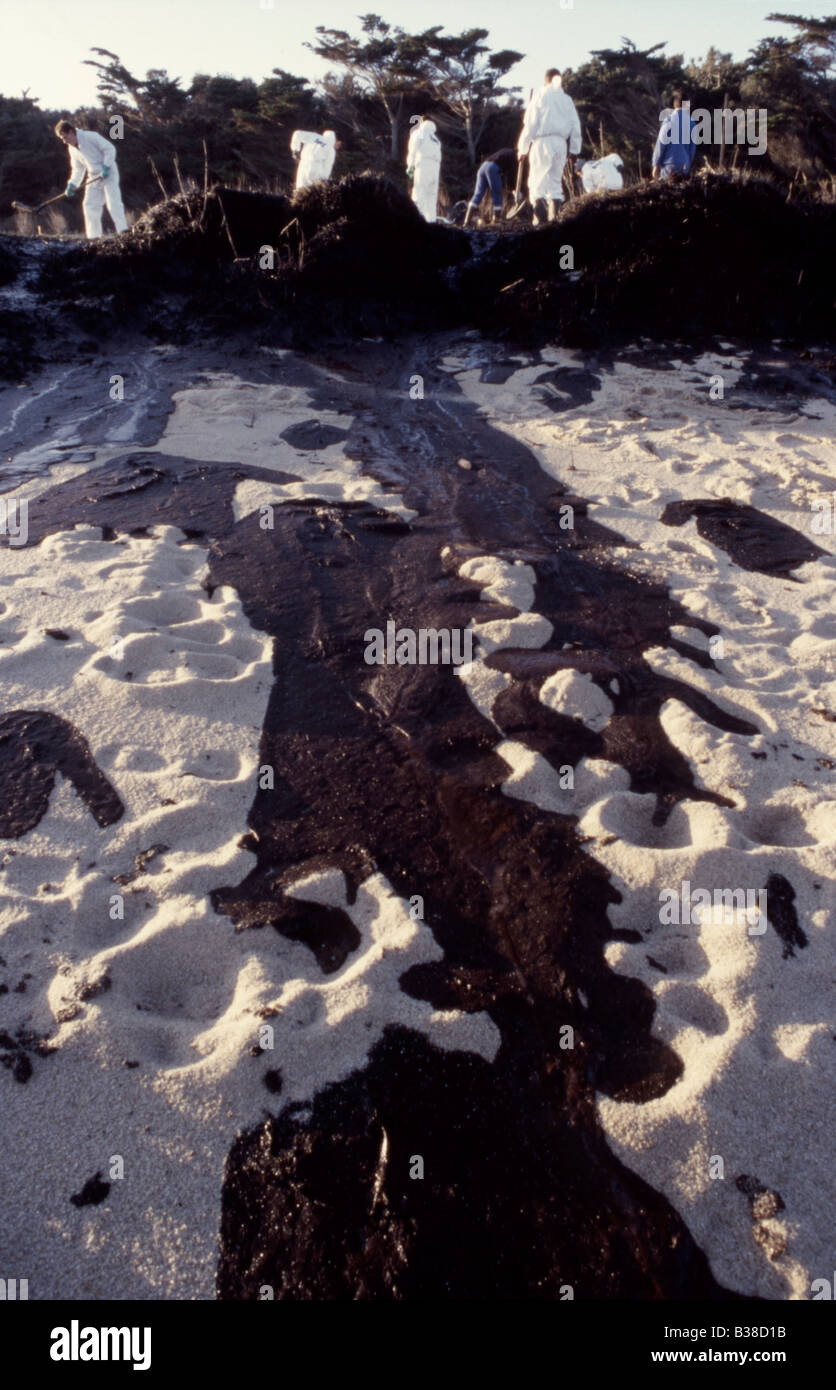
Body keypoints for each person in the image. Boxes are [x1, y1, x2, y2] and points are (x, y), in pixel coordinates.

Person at [517, 69, 582, 225]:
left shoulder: (540, 95)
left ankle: (539, 223)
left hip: (542, 142)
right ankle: (555, 223)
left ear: (545, 81)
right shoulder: (567, 100)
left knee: (537, 183)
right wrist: (574, 151)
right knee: (555, 183)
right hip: (561, 145)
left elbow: (530, 124)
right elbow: (576, 125)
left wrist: (523, 148)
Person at [54, 120, 127, 239]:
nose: (64, 141)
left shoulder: (90, 136)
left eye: (65, 137)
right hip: (93, 176)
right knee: (89, 205)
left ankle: (123, 232)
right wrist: (72, 184)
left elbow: (110, 149)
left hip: (109, 173)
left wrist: (106, 166)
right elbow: (78, 169)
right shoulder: (72, 149)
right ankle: (94, 238)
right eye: (62, 138)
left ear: (71, 132)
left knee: (113, 204)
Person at [463, 149, 516, 227]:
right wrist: (513, 189)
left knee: (478, 194)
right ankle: (497, 219)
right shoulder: (514, 157)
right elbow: (511, 175)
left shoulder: (506, 151)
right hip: (492, 168)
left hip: (482, 167)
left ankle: (466, 221)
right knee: (497, 193)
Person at [652, 92, 697, 181]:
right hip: (684, 166)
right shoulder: (692, 124)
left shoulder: (668, 121)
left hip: (669, 166)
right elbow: (692, 150)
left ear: (674, 104)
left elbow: (660, 145)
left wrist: (656, 164)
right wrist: (687, 164)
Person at [406, 116, 442, 222]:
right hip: (435, 169)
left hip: (423, 166)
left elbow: (413, 150)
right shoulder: (435, 138)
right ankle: (431, 223)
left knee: (419, 195)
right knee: (431, 198)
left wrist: (410, 166)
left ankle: (414, 222)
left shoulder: (419, 132)